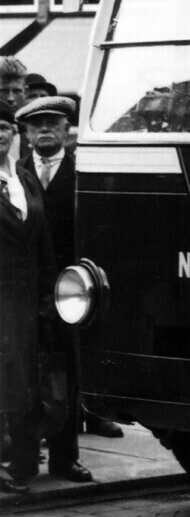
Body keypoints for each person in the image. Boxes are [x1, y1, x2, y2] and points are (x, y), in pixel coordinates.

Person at [16, 95, 120, 446]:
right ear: (26, 133)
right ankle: (29, 446)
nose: (44, 130)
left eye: (52, 124)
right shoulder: (15, 173)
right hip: (28, 286)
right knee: (28, 365)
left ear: (66, 129)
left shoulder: (82, 171)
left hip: (74, 288)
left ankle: (66, 453)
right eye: (35, 125)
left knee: (70, 365)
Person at [0, 102, 59, 492]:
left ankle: (21, 464)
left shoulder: (24, 178)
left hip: (24, 301)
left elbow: (43, 243)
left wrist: (48, 296)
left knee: (22, 379)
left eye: (5, 126)